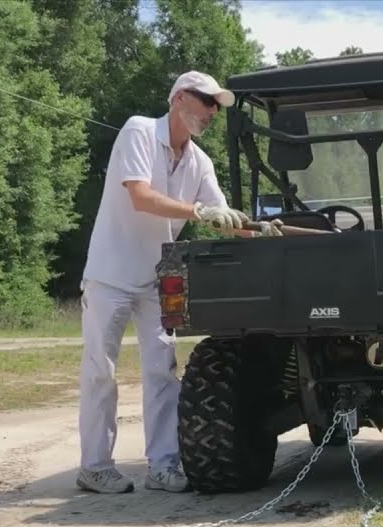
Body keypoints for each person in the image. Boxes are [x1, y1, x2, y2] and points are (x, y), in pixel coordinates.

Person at [76, 71, 272, 494]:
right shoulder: (139, 132)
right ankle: (94, 466)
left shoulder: (199, 161)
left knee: (162, 370)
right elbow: (141, 196)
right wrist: (199, 213)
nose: (212, 112)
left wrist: (258, 228)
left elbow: (224, 217)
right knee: (100, 371)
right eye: (207, 102)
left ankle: (163, 466)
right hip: (109, 274)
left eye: (217, 106)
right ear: (180, 98)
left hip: (154, 279)